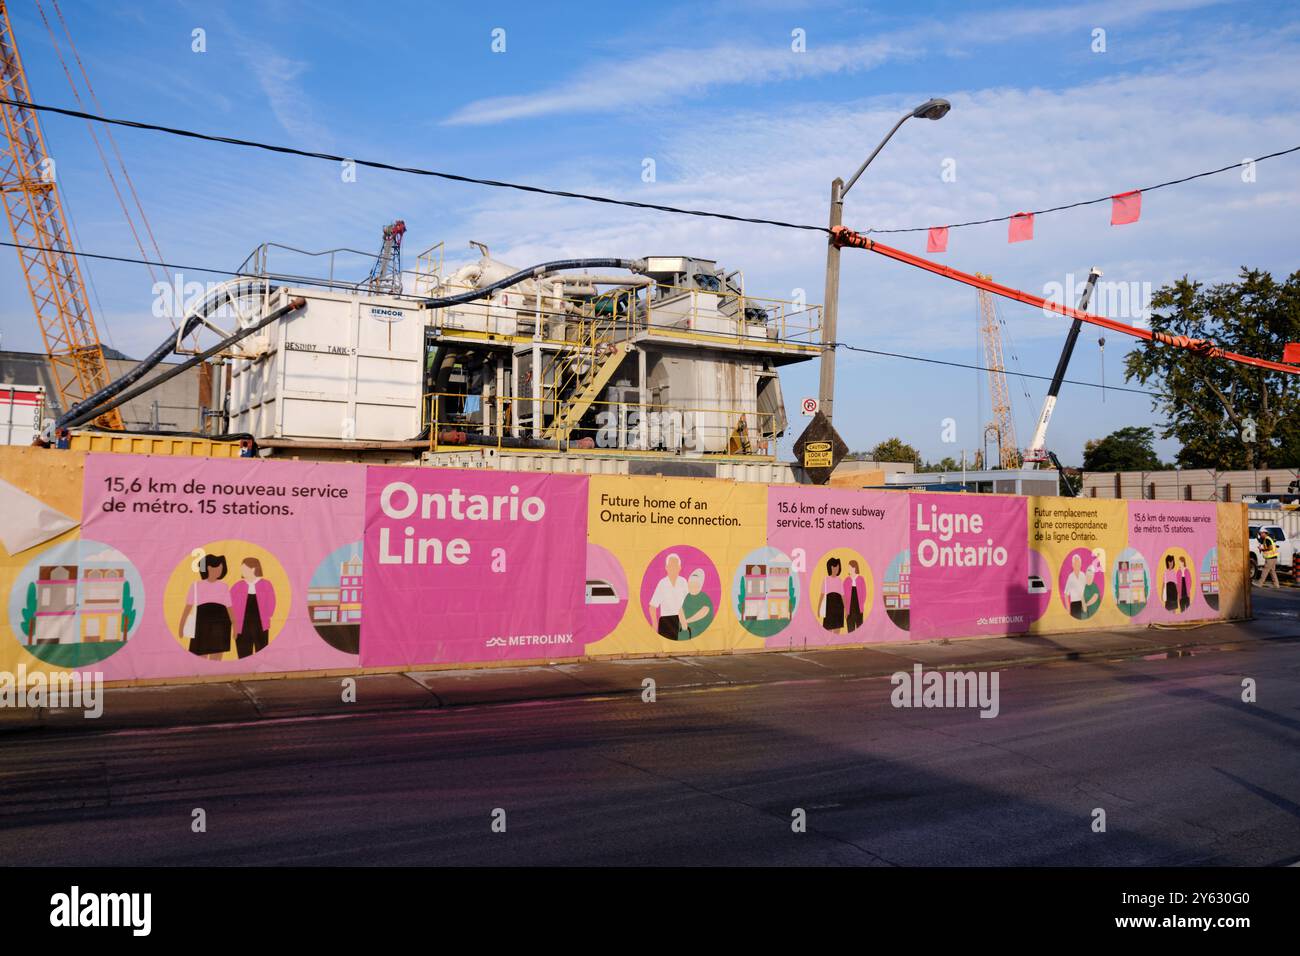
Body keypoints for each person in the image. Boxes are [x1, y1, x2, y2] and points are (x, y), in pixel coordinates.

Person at [180, 553, 232, 660]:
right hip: (202, 623)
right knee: (201, 654)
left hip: (221, 623)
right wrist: (182, 626)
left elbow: (229, 607)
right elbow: (188, 607)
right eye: (218, 567)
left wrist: (236, 625)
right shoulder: (195, 586)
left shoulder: (224, 586)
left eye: (221, 568)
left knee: (217, 655)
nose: (220, 570)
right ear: (208, 568)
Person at [230, 557, 276, 658]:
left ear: (253, 569)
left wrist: (266, 615)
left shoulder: (266, 584)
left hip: (261, 625)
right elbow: (229, 604)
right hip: (241, 626)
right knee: (243, 654)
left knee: (262, 653)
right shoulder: (237, 586)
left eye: (244, 568)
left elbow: (272, 604)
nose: (242, 571)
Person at [648, 553, 689, 640]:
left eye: (675, 565)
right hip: (666, 621)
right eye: (671, 565)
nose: (673, 568)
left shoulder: (683, 582)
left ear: (679, 567)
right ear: (666, 567)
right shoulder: (662, 583)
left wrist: (686, 621)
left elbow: (689, 603)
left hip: (681, 620)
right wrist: (655, 625)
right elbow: (652, 607)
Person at [678, 569, 714, 640]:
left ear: (700, 585)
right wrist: (683, 622)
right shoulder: (686, 596)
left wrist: (687, 621)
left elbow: (704, 612)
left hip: (702, 633)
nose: (692, 586)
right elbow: (680, 609)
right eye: (691, 584)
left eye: (695, 584)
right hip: (685, 632)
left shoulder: (704, 597)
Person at [819, 557, 845, 631]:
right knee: (828, 627)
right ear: (829, 568)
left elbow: (843, 595)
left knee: (837, 628)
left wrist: (846, 608)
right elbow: (822, 594)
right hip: (829, 606)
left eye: (837, 568)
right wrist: (819, 608)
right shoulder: (826, 580)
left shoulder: (840, 580)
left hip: (839, 606)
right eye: (834, 568)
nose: (835, 570)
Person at [844, 560, 865, 632]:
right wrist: (846, 609)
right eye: (848, 567)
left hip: (858, 608)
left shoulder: (861, 579)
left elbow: (864, 594)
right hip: (849, 609)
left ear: (854, 568)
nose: (849, 569)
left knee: (859, 627)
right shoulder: (846, 580)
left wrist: (861, 604)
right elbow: (843, 595)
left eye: (850, 567)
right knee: (850, 628)